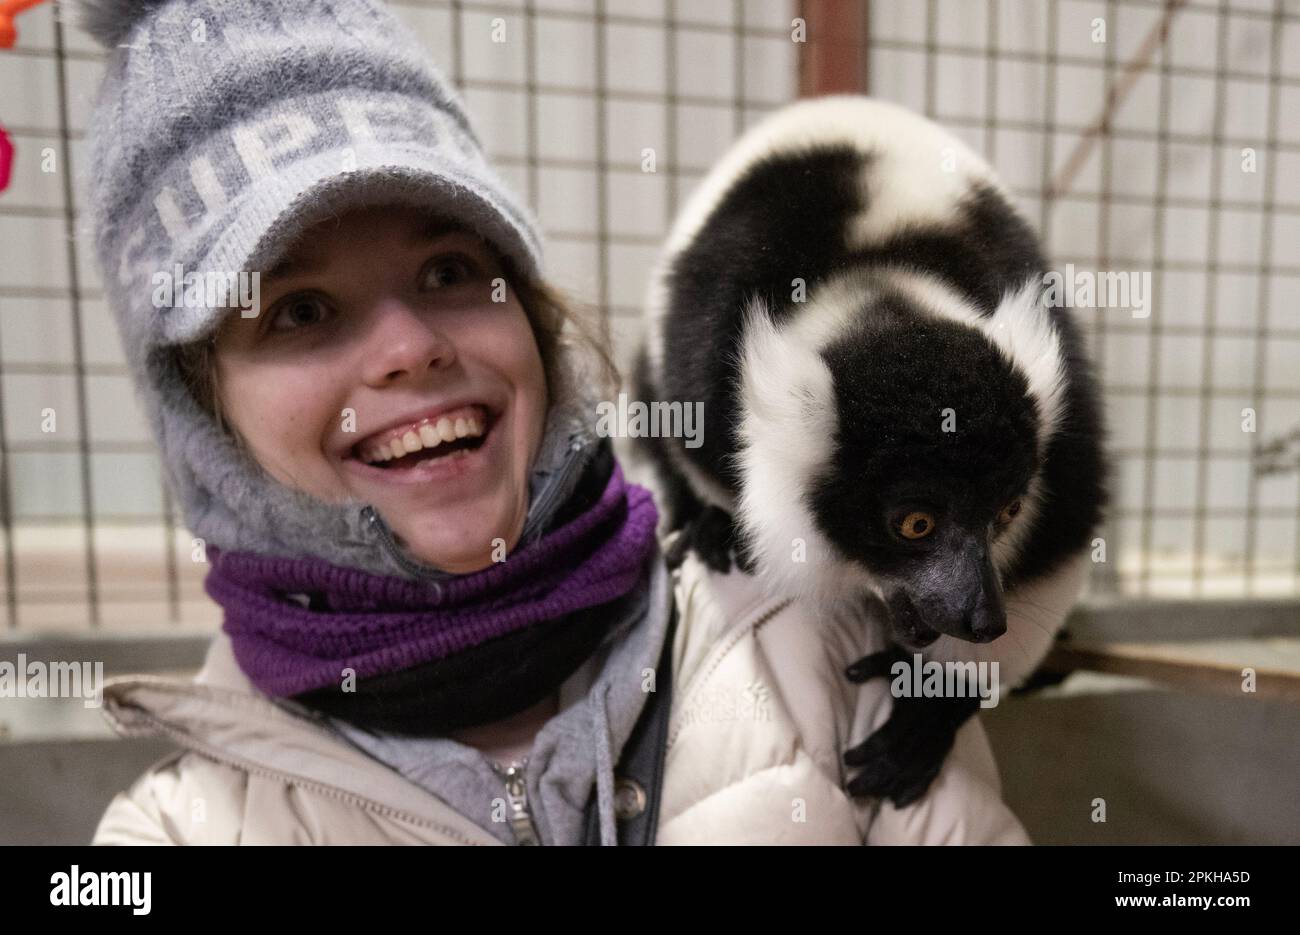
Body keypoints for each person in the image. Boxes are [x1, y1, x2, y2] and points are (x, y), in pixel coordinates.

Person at [81, 0, 1029, 845]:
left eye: (450, 271)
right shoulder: (175, 830)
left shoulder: (823, 654)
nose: (408, 347)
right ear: (200, 419)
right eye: (299, 311)